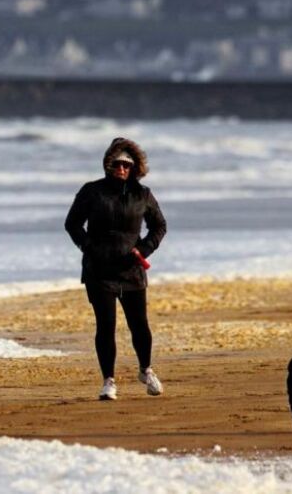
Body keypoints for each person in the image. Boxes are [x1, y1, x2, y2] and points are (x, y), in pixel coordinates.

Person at [64, 137, 167, 401]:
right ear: (108, 166)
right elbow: (72, 223)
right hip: (99, 271)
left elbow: (159, 226)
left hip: (131, 270)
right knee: (106, 326)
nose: (121, 169)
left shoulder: (142, 195)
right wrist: (88, 246)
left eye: (126, 165)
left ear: (134, 168)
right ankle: (108, 381)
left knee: (140, 326)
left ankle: (146, 369)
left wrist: (142, 250)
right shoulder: (92, 191)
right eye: (116, 164)